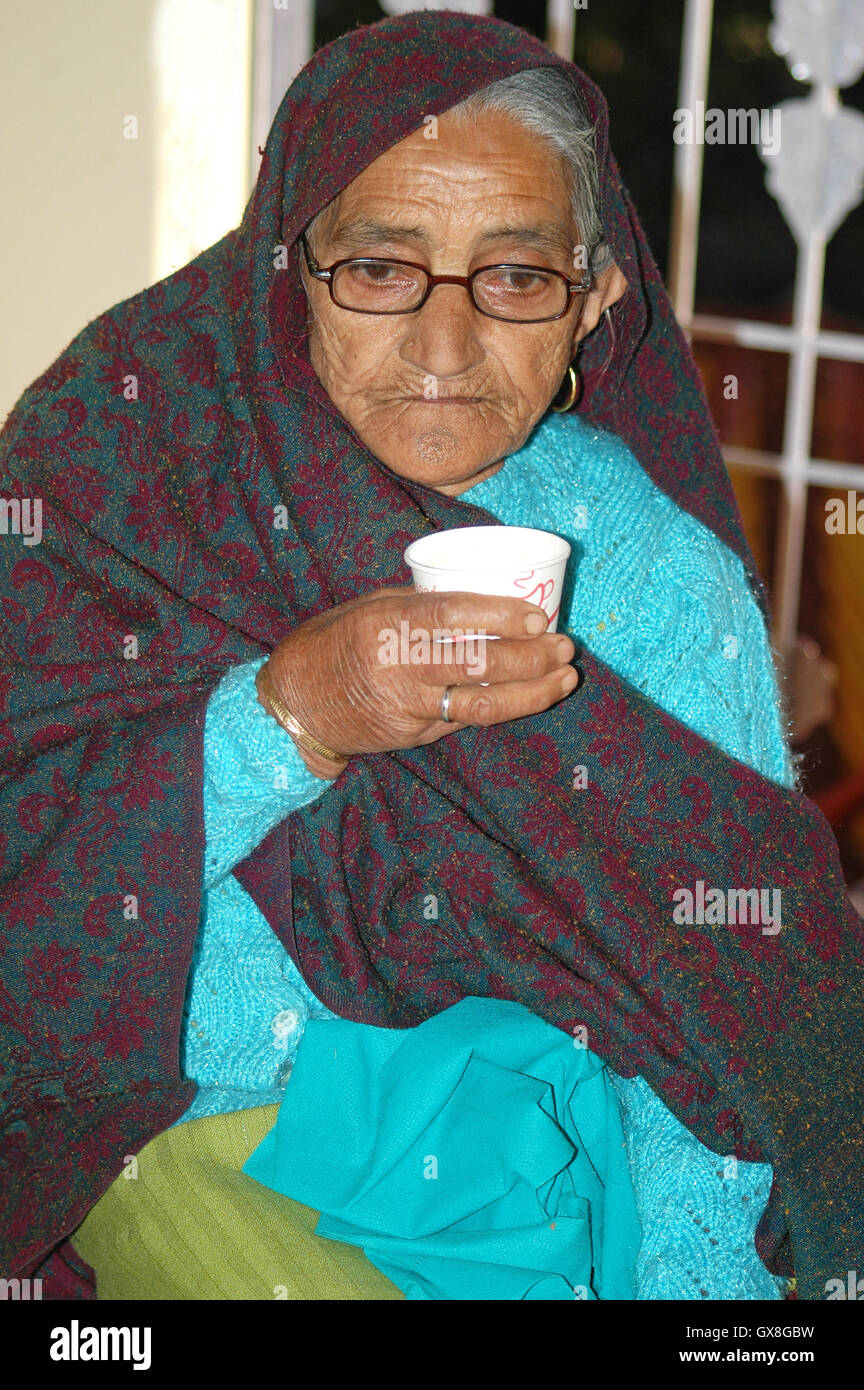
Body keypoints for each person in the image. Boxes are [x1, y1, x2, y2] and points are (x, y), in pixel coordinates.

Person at [2, 10, 862, 1302]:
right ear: (288, 267)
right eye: (382, 269)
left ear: (595, 301)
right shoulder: (136, 474)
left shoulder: (656, 579)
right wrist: (292, 713)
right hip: (187, 1122)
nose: (447, 350)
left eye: (517, 278)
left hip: (544, 1161)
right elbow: (30, 872)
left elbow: (731, 1004)